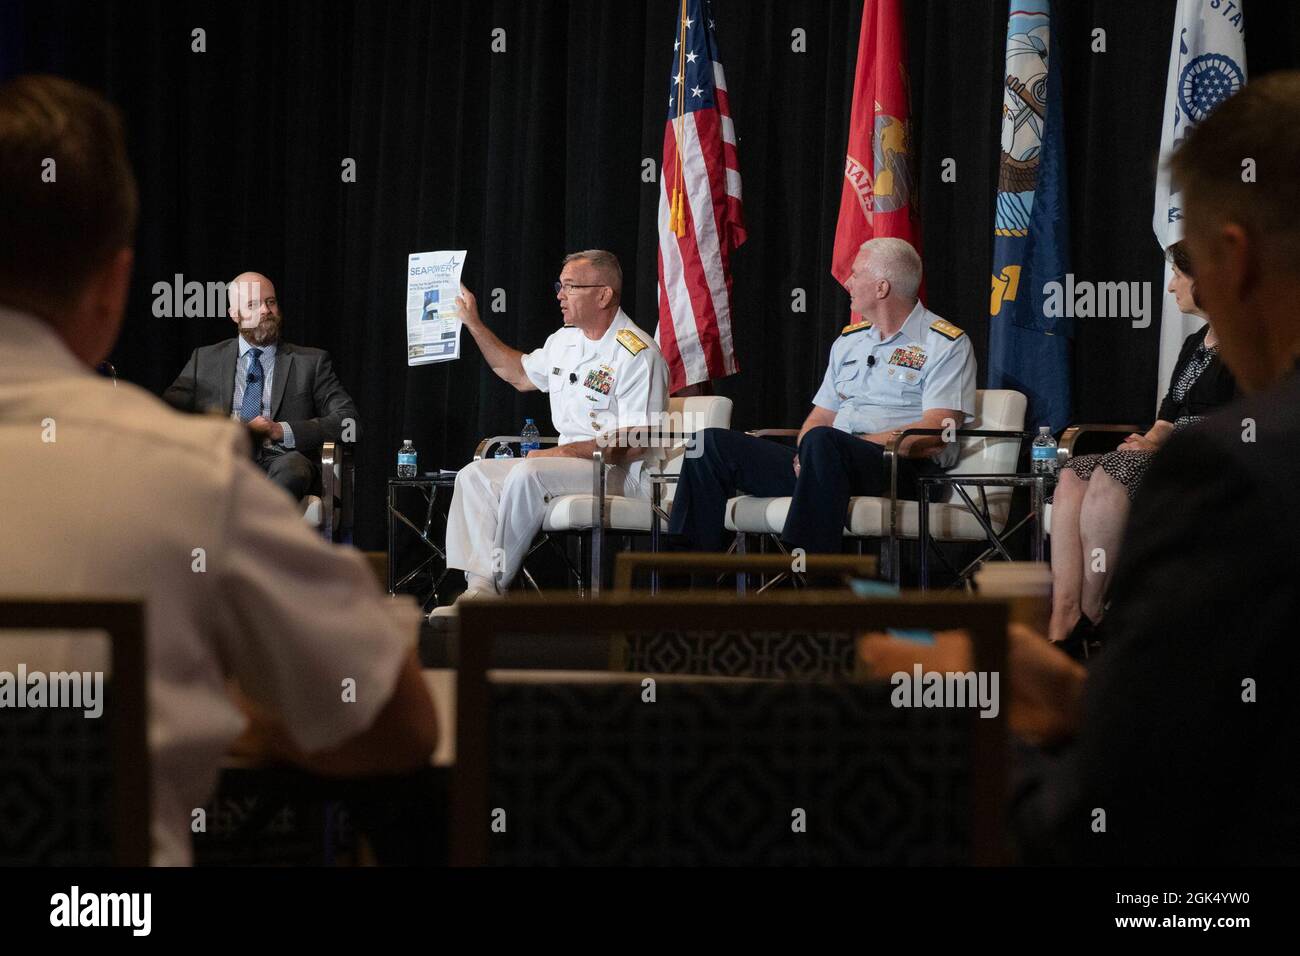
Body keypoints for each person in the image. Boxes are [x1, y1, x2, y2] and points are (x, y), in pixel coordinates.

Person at [863, 72, 1300, 864]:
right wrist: (1086, 703)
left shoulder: (1233, 472)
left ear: (1230, 261)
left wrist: (965, 713)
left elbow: (1102, 823)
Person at [0, 75, 436, 865]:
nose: (258, 311)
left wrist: (274, 432)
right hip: (106, 910)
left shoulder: (304, 366)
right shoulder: (185, 471)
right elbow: (398, 728)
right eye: (247, 303)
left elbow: (348, 421)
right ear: (114, 287)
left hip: (286, 464)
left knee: (295, 468)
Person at [668, 237, 976, 558]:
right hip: (825, 464)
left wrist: (841, 446)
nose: (847, 282)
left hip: (894, 468)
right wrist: (807, 453)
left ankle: (813, 581)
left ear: (882, 288)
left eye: (856, 275)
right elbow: (820, 416)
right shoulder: (849, 343)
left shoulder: (945, 343)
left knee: (824, 442)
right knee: (709, 445)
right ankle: (687, 578)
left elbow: (937, 432)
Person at [435, 250, 669, 614]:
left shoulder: (637, 352)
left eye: (570, 286)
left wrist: (560, 453)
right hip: (570, 467)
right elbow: (519, 374)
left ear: (603, 295)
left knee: (531, 472)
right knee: (475, 475)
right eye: (559, 285)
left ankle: (494, 588)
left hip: (622, 474)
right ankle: (478, 588)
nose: (559, 294)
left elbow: (637, 441)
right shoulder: (565, 341)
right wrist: (474, 323)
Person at [1047, 241, 1237, 645]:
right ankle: (1064, 611)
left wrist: (1161, 448)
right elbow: (1167, 415)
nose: (1171, 287)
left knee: (1113, 471)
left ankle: (1093, 609)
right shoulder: (1195, 343)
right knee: (1074, 471)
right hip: (1172, 452)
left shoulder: (1246, 343)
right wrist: (1146, 440)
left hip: (1215, 458)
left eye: (1178, 277)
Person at [162, 272, 359, 501]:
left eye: (271, 302)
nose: (266, 310)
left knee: (293, 466)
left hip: (280, 462)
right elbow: (165, 414)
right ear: (235, 315)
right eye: (253, 304)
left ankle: (254, 524)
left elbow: (350, 423)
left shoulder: (311, 363)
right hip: (222, 460)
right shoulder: (205, 360)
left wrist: (281, 430)